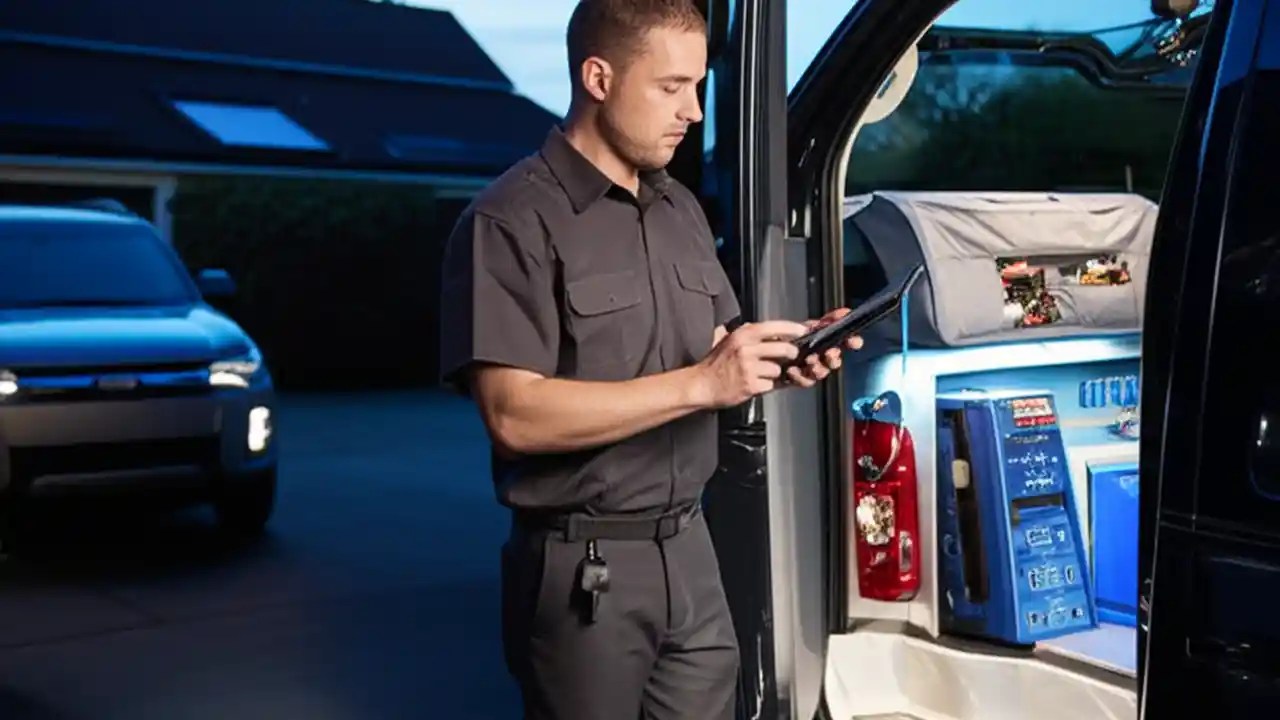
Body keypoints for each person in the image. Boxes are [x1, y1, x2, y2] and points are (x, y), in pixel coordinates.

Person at [438, 1, 861, 717]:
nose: (692, 111)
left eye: (697, 86)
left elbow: (717, 350)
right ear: (598, 78)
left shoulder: (679, 210)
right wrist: (703, 383)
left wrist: (784, 356)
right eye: (671, 87)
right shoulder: (508, 222)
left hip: (692, 554)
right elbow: (514, 416)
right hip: (585, 572)